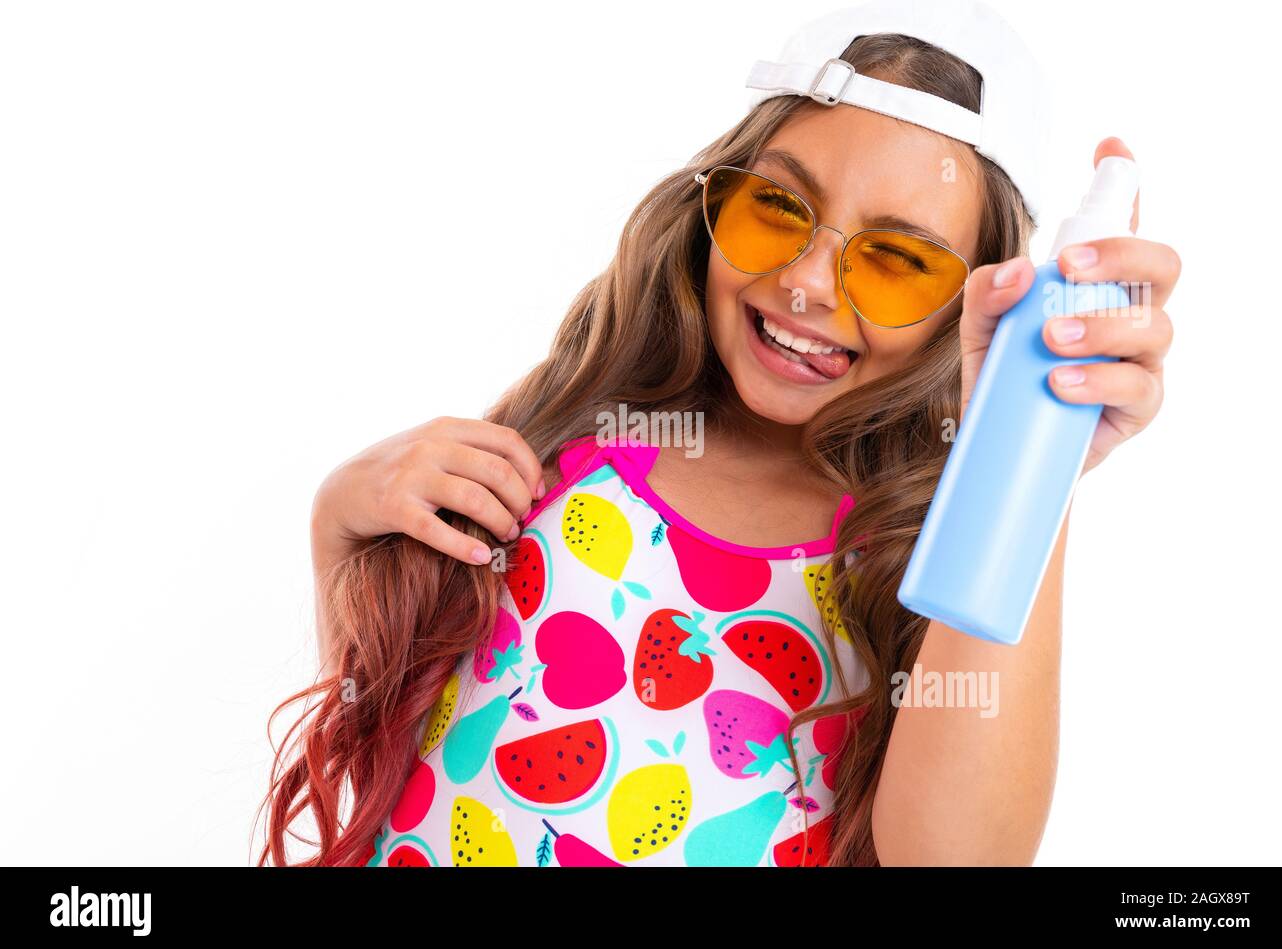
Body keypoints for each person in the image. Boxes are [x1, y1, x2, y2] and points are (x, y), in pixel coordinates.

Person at [258, 0, 1179, 867]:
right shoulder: (570, 449)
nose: (810, 284)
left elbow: (955, 855)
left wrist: (1033, 449)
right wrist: (339, 524)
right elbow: (406, 718)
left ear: (972, 304)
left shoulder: (917, 565)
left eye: (898, 261)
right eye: (777, 208)